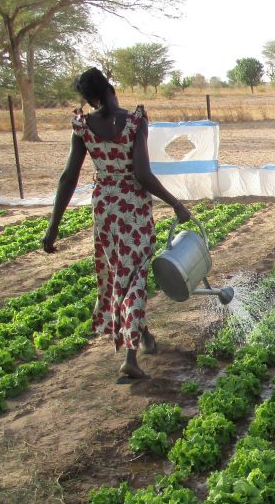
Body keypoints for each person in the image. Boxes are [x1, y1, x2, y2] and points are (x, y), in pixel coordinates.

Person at [42, 67, 191, 381]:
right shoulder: (134, 121)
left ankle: (144, 335)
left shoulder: (84, 126)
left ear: (89, 99)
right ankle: (130, 357)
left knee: (120, 275)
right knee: (134, 278)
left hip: (105, 209)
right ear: (111, 89)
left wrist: (53, 227)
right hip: (133, 209)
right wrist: (176, 204)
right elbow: (142, 174)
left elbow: (68, 178)